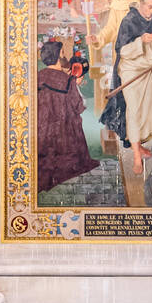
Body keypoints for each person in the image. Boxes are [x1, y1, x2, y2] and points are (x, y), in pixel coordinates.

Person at [105, 0, 152, 174]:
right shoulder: (129, 20)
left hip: (149, 70)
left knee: (147, 111)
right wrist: (141, 41)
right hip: (131, 71)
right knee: (134, 111)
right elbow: (123, 51)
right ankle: (136, 157)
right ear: (141, 4)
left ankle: (138, 145)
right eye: (150, 7)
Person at [37, 39, 99, 193]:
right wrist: (75, 83)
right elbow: (77, 105)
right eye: (62, 53)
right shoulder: (66, 80)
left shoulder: (38, 76)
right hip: (63, 129)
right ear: (58, 56)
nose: (64, 55)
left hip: (42, 128)